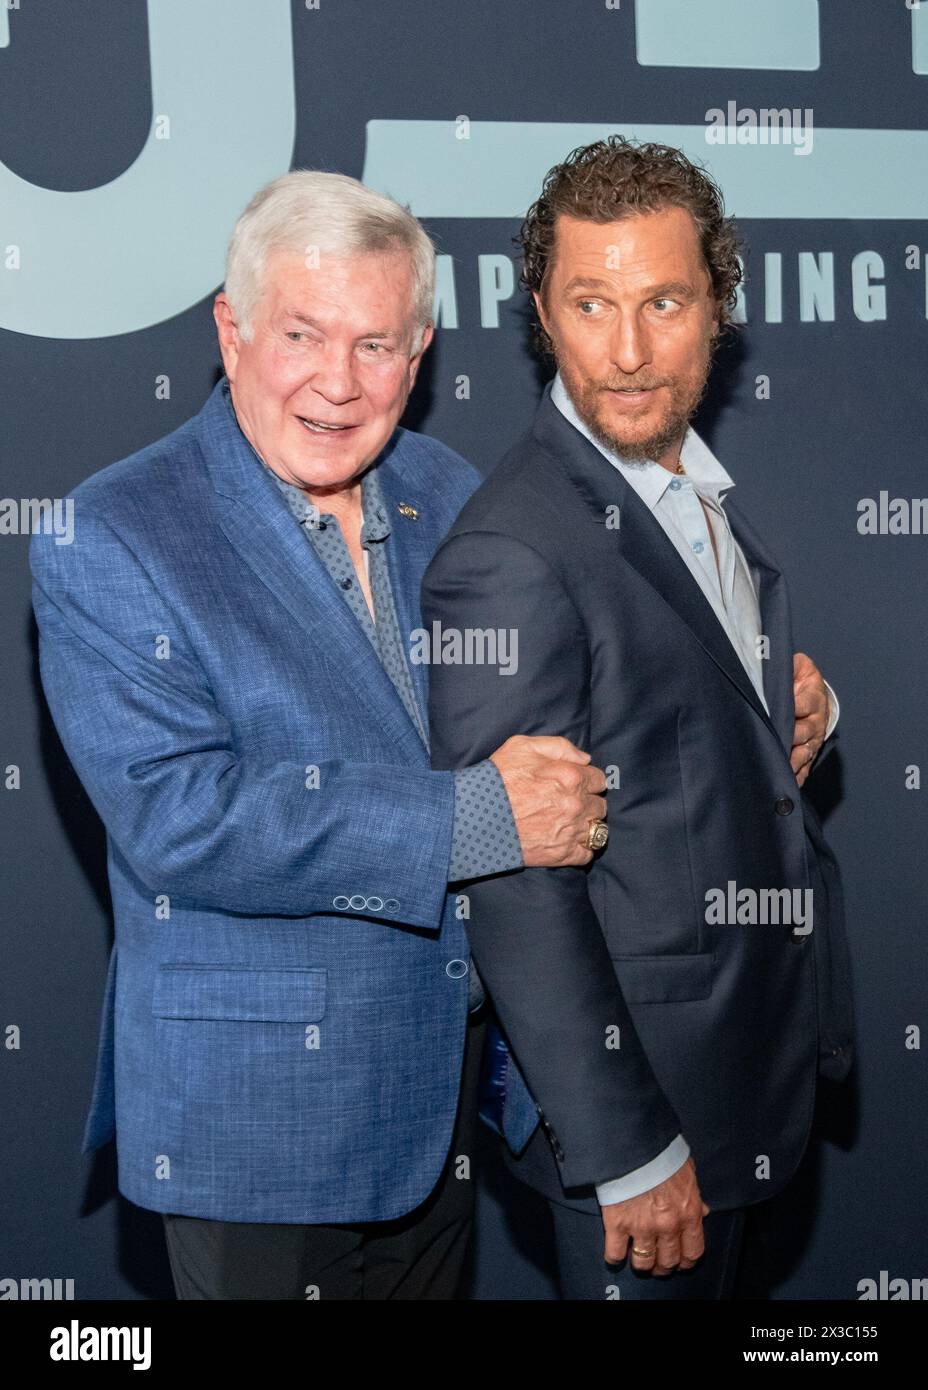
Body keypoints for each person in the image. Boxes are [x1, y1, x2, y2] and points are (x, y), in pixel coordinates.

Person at [29, 170, 606, 1300]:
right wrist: (481, 815)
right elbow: (183, 816)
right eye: (301, 333)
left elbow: (567, 701)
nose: (338, 385)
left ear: (424, 349)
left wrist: (759, 713)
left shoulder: (448, 491)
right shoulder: (111, 530)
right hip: (257, 1130)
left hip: (441, 1105)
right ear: (230, 330)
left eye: (377, 345)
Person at [422, 136, 854, 1301]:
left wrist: (796, 713)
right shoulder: (515, 545)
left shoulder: (685, 493)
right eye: (590, 303)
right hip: (644, 1123)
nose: (625, 350)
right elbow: (511, 874)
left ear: (718, 307)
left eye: (662, 301)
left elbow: (679, 728)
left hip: (735, 1081)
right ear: (540, 314)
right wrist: (620, 1146)